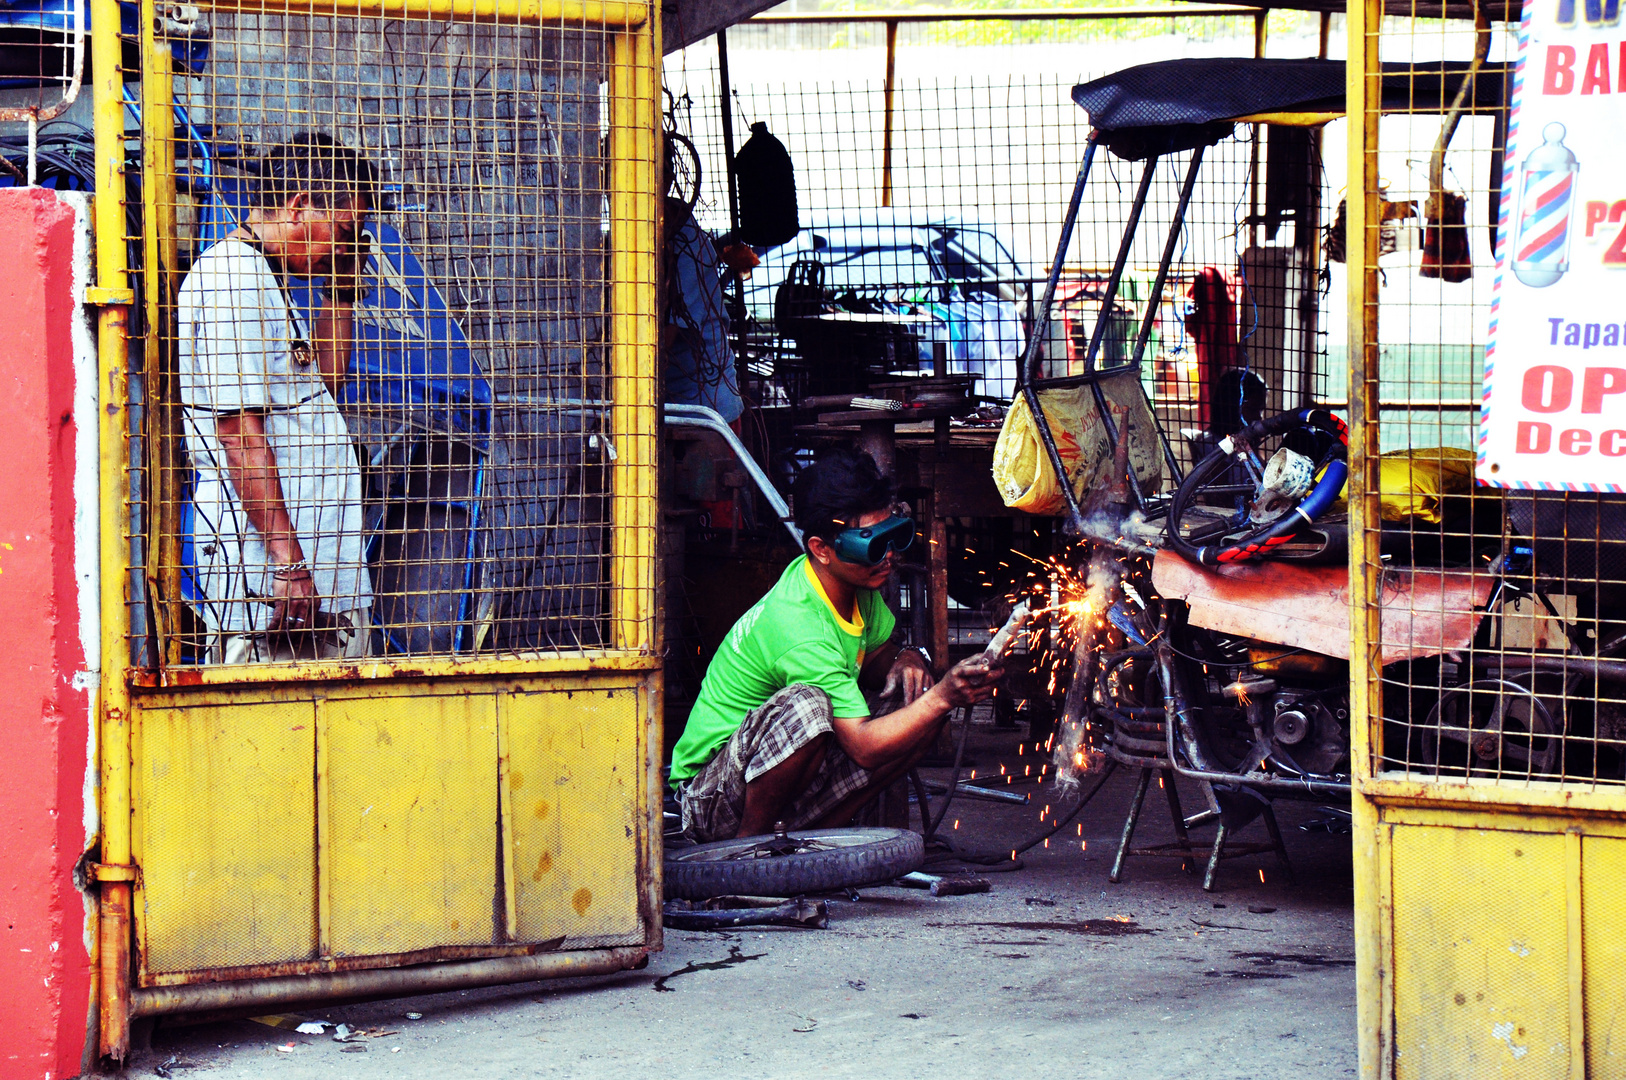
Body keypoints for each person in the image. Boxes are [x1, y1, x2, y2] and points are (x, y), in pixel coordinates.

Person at [669, 448, 1004, 842]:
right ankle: (748, 855)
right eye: (871, 546)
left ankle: (812, 845)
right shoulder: (798, 623)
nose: (889, 557)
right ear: (821, 549)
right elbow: (862, 747)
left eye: (894, 537)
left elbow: (877, 653)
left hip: (774, 772)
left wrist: (908, 658)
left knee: (918, 704)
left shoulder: (852, 585)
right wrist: (946, 696)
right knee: (811, 709)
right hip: (709, 798)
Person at [178, 132, 376, 663]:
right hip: (272, 573)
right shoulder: (232, 279)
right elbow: (239, 431)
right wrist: (289, 562)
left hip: (310, 566)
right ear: (300, 204)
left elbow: (323, 388)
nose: (344, 245)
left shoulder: (268, 275)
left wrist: (340, 285)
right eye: (343, 229)